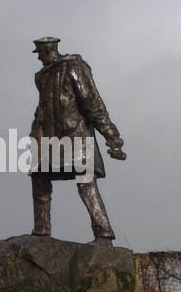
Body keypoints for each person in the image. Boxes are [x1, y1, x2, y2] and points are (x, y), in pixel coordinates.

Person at [27, 36, 126, 243]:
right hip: (49, 139)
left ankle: (103, 232)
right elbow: (42, 107)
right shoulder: (42, 76)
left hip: (76, 137)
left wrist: (111, 135)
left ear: (47, 51)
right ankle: (41, 231)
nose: (39, 59)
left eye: (40, 54)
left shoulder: (74, 67)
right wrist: (34, 130)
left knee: (86, 182)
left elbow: (92, 103)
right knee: (39, 178)